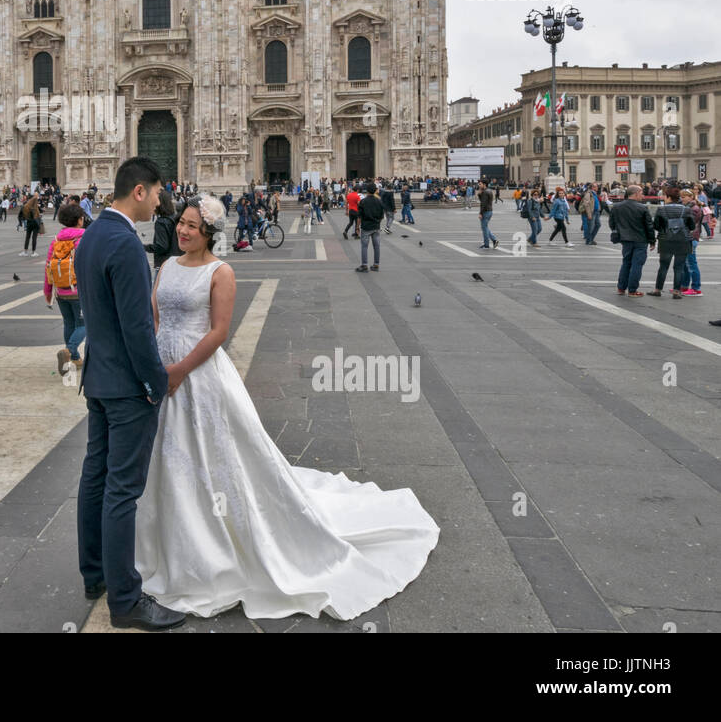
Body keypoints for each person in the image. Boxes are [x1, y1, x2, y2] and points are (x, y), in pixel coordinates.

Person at [135, 194, 439, 619]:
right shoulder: (165, 267)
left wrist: (180, 369)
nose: (183, 230)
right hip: (164, 369)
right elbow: (155, 320)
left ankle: (213, 547)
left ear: (208, 233)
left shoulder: (220, 272)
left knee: (211, 454)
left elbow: (219, 331)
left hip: (198, 374)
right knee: (169, 457)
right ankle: (167, 541)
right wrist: (154, 363)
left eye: (191, 225)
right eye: (181, 223)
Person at [74, 155, 185, 631]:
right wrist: (155, 383)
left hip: (98, 379)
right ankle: (126, 601)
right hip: (125, 388)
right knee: (122, 491)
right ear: (139, 191)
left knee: (95, 478)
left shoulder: (92, 236)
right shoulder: (125, 245)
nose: (162, 200)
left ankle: (95, 575)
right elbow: (138, 330)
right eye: (158, 192)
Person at [45, 200, 88, 376]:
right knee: (85, 324)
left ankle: (76, 358)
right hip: (79, 290)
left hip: (61, 290)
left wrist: (48, 292)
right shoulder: (84, 238)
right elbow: (89, 265)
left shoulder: (56, 240)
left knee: (69, 323)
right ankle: (69, 351)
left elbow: (48, 266)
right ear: (79, 220)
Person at [609, 184, 656, 297]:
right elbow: (649, 226)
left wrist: (620, 232)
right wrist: (652, 241)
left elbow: (612, 223)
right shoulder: (642, 208)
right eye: (641, 193)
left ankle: (621, 288)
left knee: (626, 263)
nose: (643, 195)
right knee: (637, 264)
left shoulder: (617, 207)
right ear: (635, 194)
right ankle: (632, 290)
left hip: (625, 239)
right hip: (640, 240)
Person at [649, 186, 693, 299]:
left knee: (663, 266)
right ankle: (677, 291)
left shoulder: (661, 209)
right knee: (679, 267)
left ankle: (658, 289)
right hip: (683, 240)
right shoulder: (686, 209)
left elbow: (656, 226)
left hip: (666, 240)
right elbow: (691, 226)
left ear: (668, 197)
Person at [144, 189, 180, 275]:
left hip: (163, 265)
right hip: (175, 263)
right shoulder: (174, 218)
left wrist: (145, 247)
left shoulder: (161, 222)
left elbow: (162, 246)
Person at [355, 183, 384, 271]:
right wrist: (378, 222)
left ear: (367, 191)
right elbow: (382, 216)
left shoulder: (363, 201)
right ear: (375, 190)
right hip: (376, 227)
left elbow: (359, 216)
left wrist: (357, 227)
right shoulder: (379, 201)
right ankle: (376, 265)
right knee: (376, 246)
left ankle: (364, 265)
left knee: (364, 246)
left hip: (366, 227)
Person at [478, 182, 499, 250]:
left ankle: (486, 244)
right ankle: (494, 240)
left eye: (480, 184)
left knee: (484, 228)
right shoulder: (488, 191)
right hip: (489, 211)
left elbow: (483, 204)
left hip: (486, 212)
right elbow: (484, 201)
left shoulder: (485, 192)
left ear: (484, 184)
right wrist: (479, 194)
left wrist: (481, 213)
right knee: (485, 227)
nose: (479, 185)